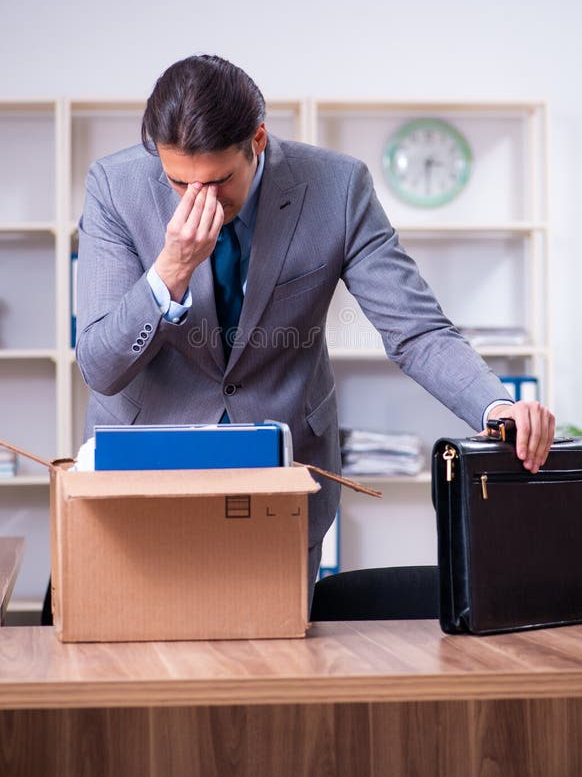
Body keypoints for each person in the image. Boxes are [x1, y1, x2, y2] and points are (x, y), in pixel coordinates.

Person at [75, 54, 556, 589]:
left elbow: (416, 329)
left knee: (280, 660)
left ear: (257, 140)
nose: (197, 201)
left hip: (286, 477)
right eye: (177, 182)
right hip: (147, 470)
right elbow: (100, 364)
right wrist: (171, 270)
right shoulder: (115, 188)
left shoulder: (336, 186)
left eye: (216, 181)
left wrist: (496, 406)